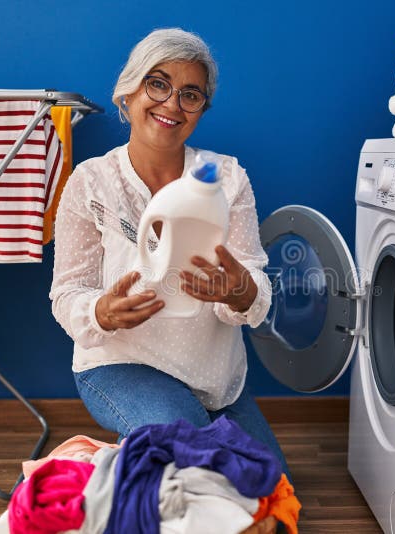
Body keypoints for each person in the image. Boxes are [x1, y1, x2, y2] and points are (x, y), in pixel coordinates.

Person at [49, 28, 290, 486]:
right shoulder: (92, 182)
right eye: (157, 84)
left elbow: (254, 282)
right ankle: (111, 467)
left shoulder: (226, 178)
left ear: (202, 109)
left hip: (215, 379)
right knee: (203, 468)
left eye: (190, 94)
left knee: (268, 487)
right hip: (121, 366)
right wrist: (100, 311)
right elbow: (67, 292)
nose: (172, 104)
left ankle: (137, 458)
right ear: (129, 90)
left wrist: (239, 289)